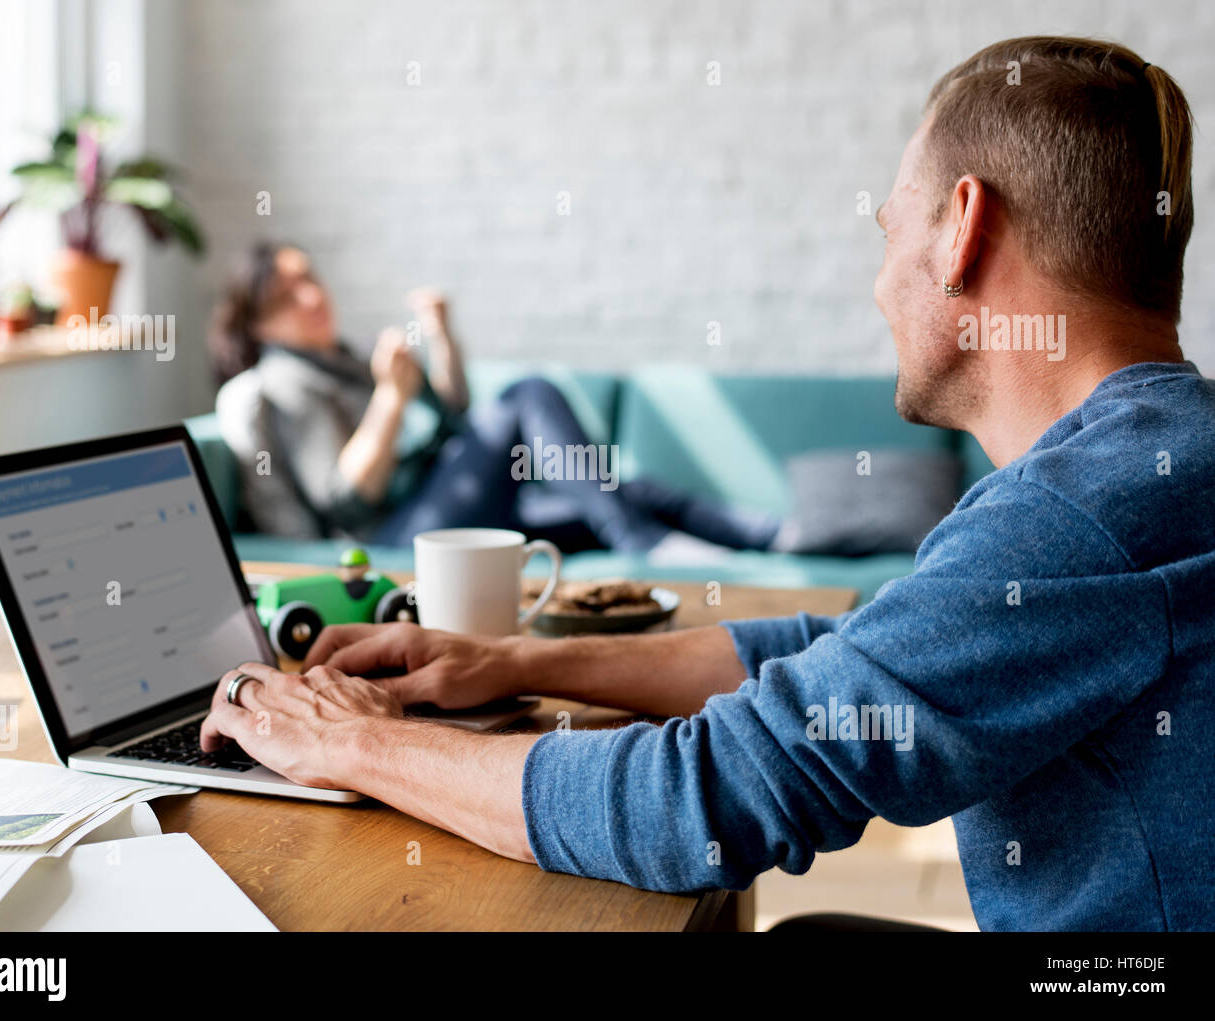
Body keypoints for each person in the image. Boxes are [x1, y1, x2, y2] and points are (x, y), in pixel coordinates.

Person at [201, 37, 1215, 931]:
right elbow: (856, 659)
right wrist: (503, 662)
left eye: (885, 226)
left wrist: (351, 744)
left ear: (960, 229)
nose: (878, 280)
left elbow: (710, 799)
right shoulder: (1147, 463)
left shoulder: (1076, 515)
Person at [209, 243, 784, 556]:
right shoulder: (286, 383)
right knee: (527, 393)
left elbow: (453, 419)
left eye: (311, 277)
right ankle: (640, 545)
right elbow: (346, 502)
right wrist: (388, 399)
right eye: (289, 294)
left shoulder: (345, 361)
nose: (312, 295)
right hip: (396, 537)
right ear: (259, 321)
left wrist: (440, 339)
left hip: (445, 505)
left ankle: (774, 536)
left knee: (630, 492)